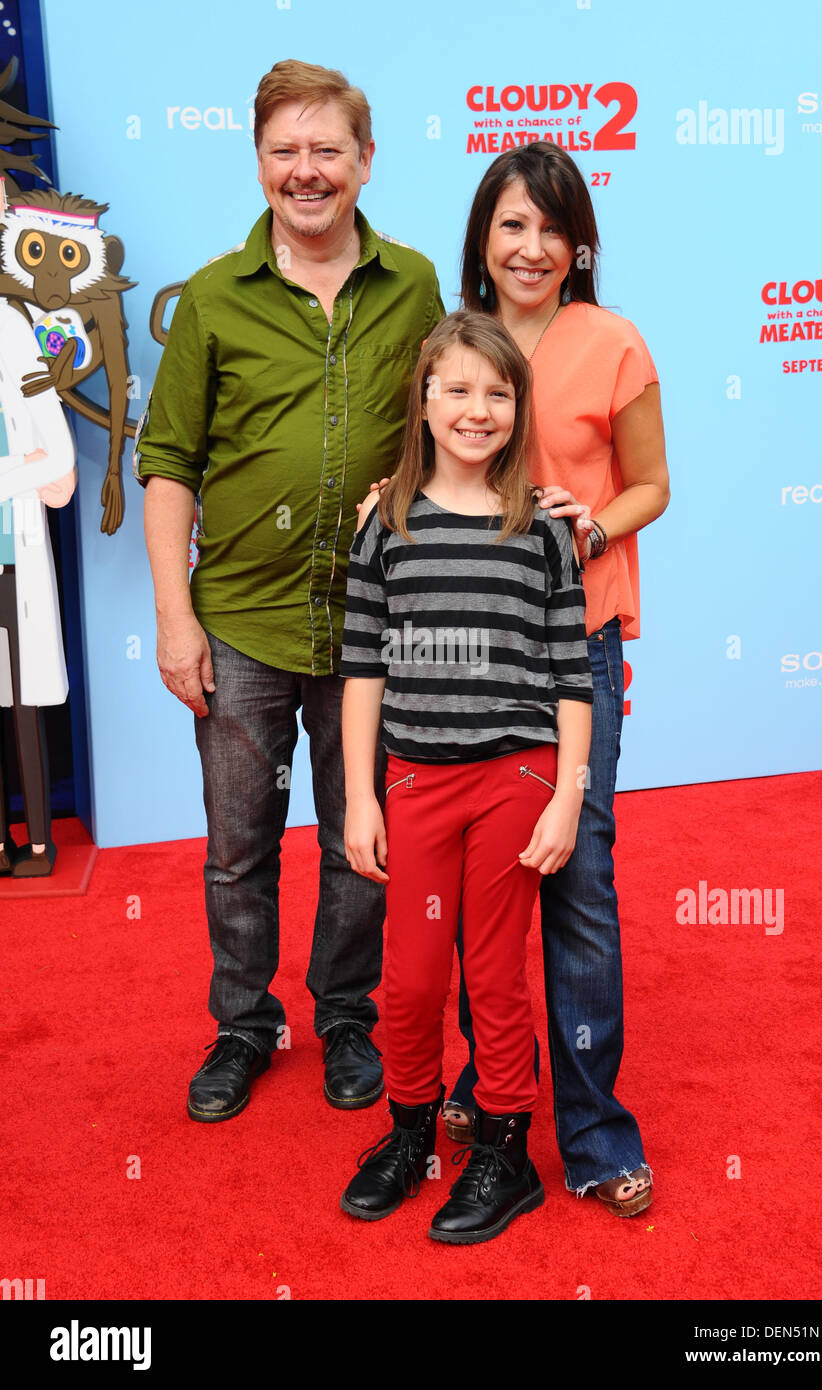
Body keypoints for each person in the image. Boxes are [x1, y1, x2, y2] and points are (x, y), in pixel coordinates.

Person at [135, 59, 444, 1122]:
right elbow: (168, 460)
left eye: (326, 151)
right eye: (284, 152)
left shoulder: (413, 285)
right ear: (260, 162)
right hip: (244, 621)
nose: (305, 173)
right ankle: (243, 1023)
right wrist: (177, 619)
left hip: (375, 624)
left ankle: (347, 1013)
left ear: (364, 160)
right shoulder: (216, 297)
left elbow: (442, 429)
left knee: (362, 833)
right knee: (238, 845)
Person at [443, 142, 670, 1216]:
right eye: (511, 226)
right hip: (465, 647)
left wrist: (593, 525)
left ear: (581, 244)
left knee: (577, 876)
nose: (531, 248)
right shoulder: (454, 341)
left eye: (552, 228)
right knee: (482, 879)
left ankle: (592, 1131)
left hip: (576, 639)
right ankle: (490, 1090)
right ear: (483, 240)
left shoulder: (614, 342)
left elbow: (653, 485)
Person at [339, 310, 593, 1244]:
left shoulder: (542, 529)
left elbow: (572, 672)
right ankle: (410, 1132)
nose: (477, 410)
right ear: (424, 400)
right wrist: (362, 794)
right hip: (414, 779)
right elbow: (363, 662)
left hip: (515, 777)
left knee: (493, 976)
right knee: (406, 980)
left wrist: (567, 793)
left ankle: (507, 1148)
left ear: (519, 408)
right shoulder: (387, 522)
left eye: (497, 393)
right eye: (456, 389)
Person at [0, 291, 77, 877]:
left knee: (24, 699)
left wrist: (17, 471)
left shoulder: (11, 326)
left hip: (11, 558)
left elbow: (58, 464)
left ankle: (41, 844)